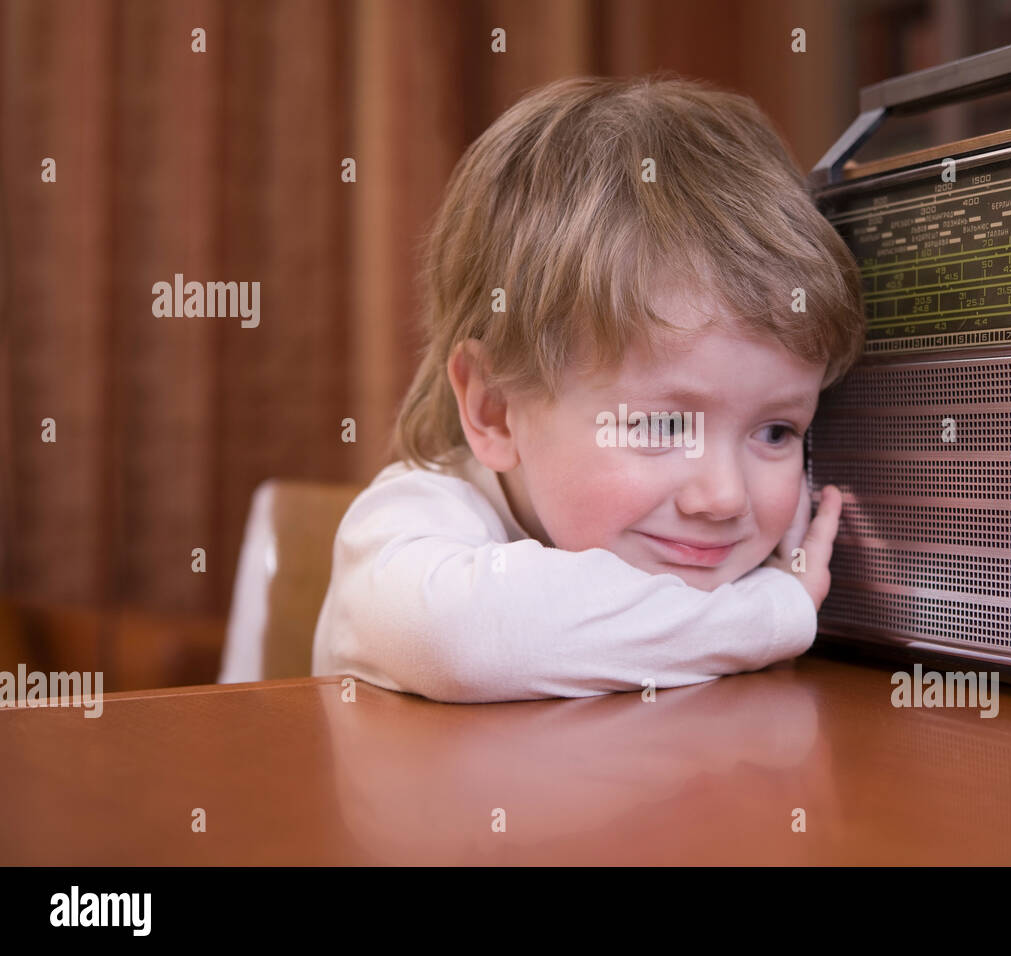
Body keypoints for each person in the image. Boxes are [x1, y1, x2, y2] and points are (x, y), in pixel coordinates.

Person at [311, 73, 864, 703]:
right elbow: (467, 644)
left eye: (775, 431)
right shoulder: (407, 525)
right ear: (495, 409)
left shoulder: (698, 552)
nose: (724, 496)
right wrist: (775, 611)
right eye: (663, 425)